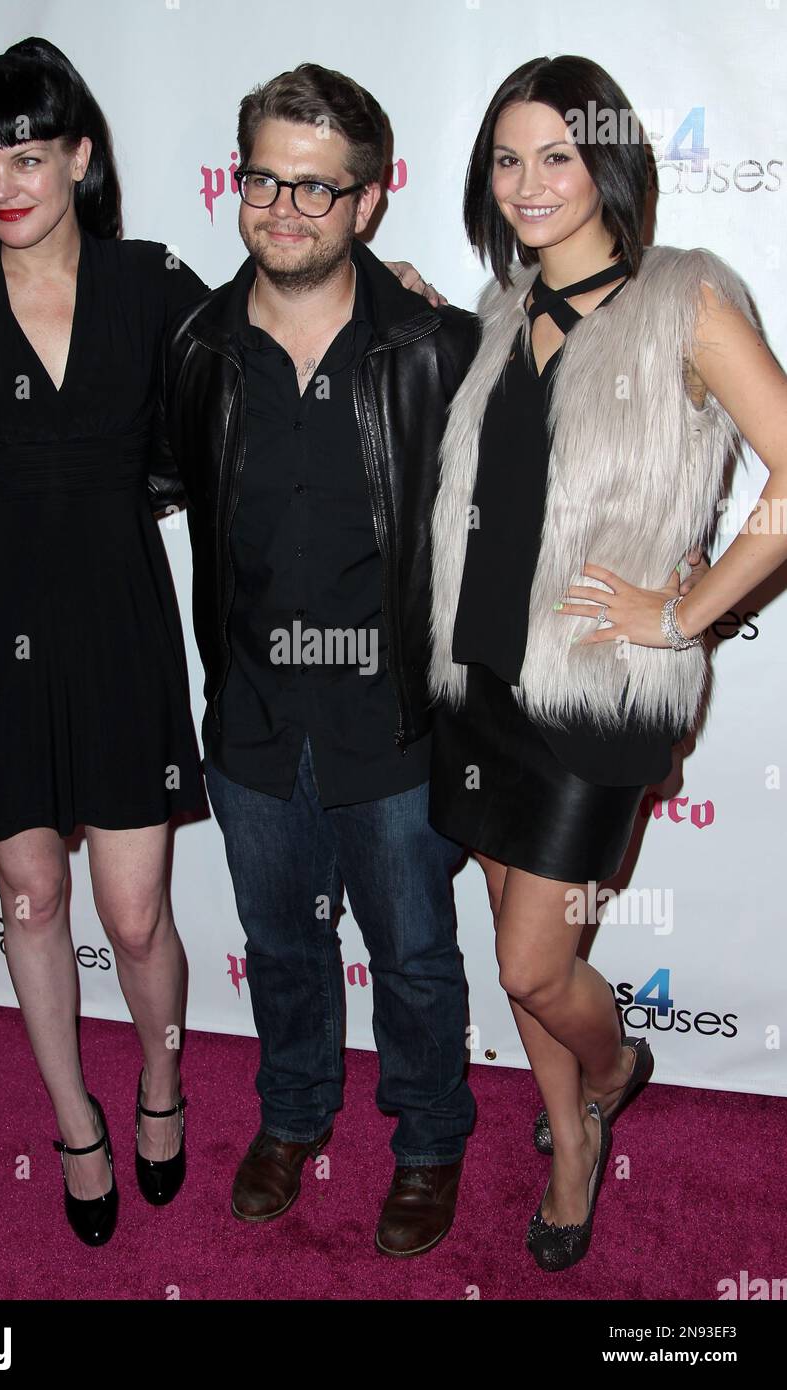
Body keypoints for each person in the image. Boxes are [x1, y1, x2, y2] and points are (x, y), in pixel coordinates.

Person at [427, 54, 787, 1272]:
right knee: (510, 955)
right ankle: (576, 1150)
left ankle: (617, 1062)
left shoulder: (685, 302)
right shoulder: (493, 317)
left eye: (557, 156)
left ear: (609, 164)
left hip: (594, 696)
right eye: (507, 158)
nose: (528, 183)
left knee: (538, 959)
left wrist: (682, 619)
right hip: (478, 678)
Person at [148, 64, 482, 1257]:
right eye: (264, 179)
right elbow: (136, 486)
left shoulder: (437, 346)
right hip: (247, 720)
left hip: (389, 724)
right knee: (283, 944)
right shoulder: (194, 347)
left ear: (370, 203)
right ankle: (291, 1114)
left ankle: (431, 1138)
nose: (284, 209)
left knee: (415, 956)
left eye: (317, 189)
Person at [0, 37, 209, 1246]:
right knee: (31, 896)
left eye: (27, 155)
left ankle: (162, 1085)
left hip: (121, 619)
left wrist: (388, 287)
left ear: (80, 155)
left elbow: (265, 351)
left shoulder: (151, 279)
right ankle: (77, 1122)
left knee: (135, 915)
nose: (3, 184)